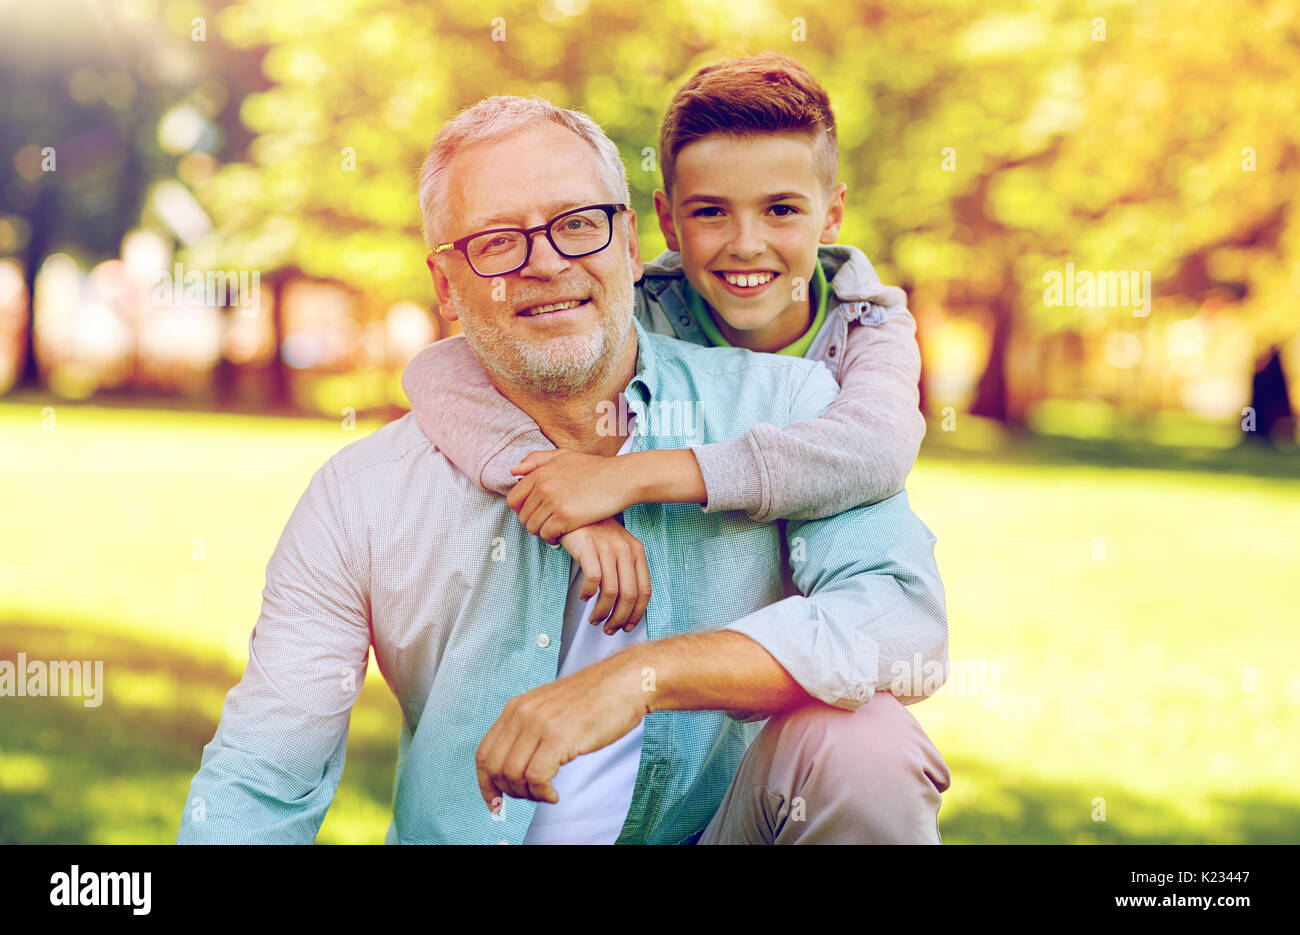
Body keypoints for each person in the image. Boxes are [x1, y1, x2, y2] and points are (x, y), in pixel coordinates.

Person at [176, 95, 950, 846]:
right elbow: (266, 773)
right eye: (497, 242)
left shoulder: (789, 403)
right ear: (447, 285)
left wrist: (641, 676)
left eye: (577, 224)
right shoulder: (365, 493)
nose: (546, 263)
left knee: (867, 744)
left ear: (629, 244)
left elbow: (900, 618)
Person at [405, 54, 925, 631]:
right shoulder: (637, 300)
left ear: (832, 215)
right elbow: (438, 375)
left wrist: (628, 477)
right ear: (667, 222)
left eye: (781, 209)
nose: (746, 244)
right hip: (694, 599)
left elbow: (877, 449)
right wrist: (560, 495)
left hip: (817, 590)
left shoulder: (868, 323)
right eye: (711, 212)